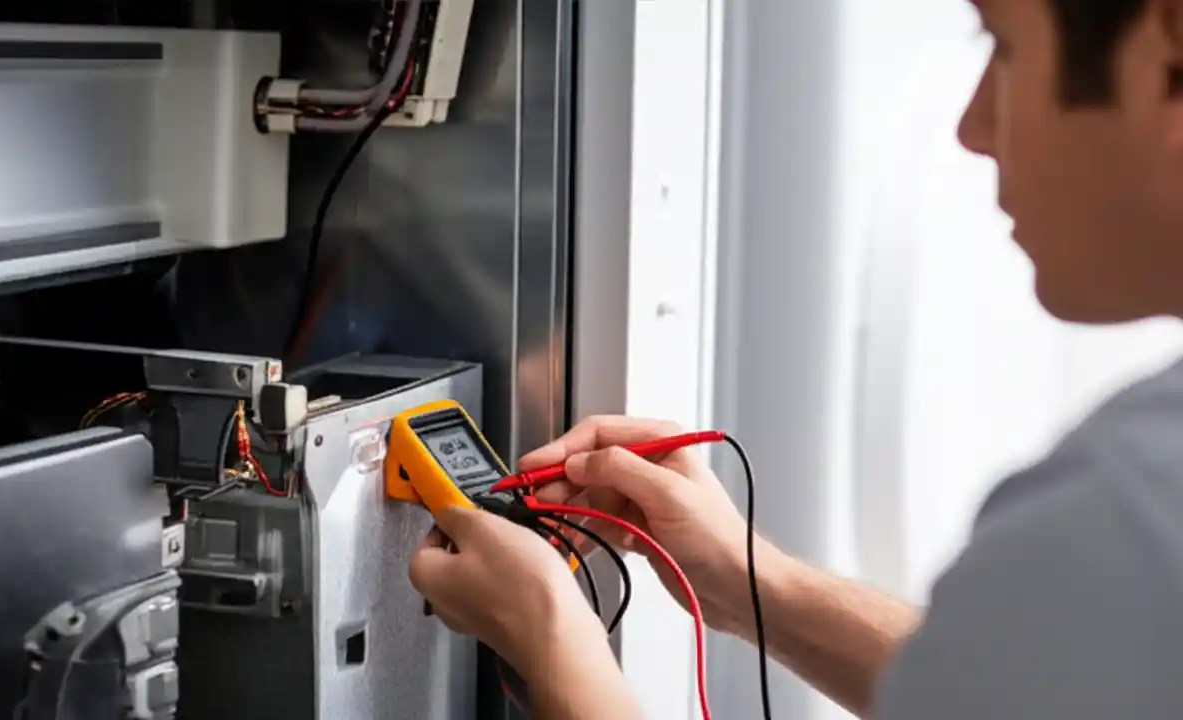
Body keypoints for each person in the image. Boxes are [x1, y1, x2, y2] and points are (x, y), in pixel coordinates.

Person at [410, 0, 1183, 717]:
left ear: (1166, 41)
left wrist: (549, 632)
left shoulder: (1127, 519)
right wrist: (746, 582)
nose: (971, 127)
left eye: (1006, 51)